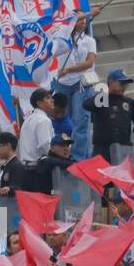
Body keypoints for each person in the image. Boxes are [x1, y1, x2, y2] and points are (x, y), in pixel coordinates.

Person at [52, 12, 98, 158]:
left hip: (81, 83)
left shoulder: (89, 41)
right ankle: (64, 153)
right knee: (65, 122)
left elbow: (89, 63)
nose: (83, 22)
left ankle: (79, 157)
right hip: (63, 84)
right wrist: (91, 13)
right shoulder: (62, 38)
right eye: (79, 19)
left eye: (85, 19)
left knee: (80, 121)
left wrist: (69, 70)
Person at [84, 68, 134, 163]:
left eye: (126, 84)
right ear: (110, 82)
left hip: (124, 148)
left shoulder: (130, 103)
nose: (124, 87)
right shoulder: (102, 100)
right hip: (103, 149)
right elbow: (86, 104)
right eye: (121, 83)